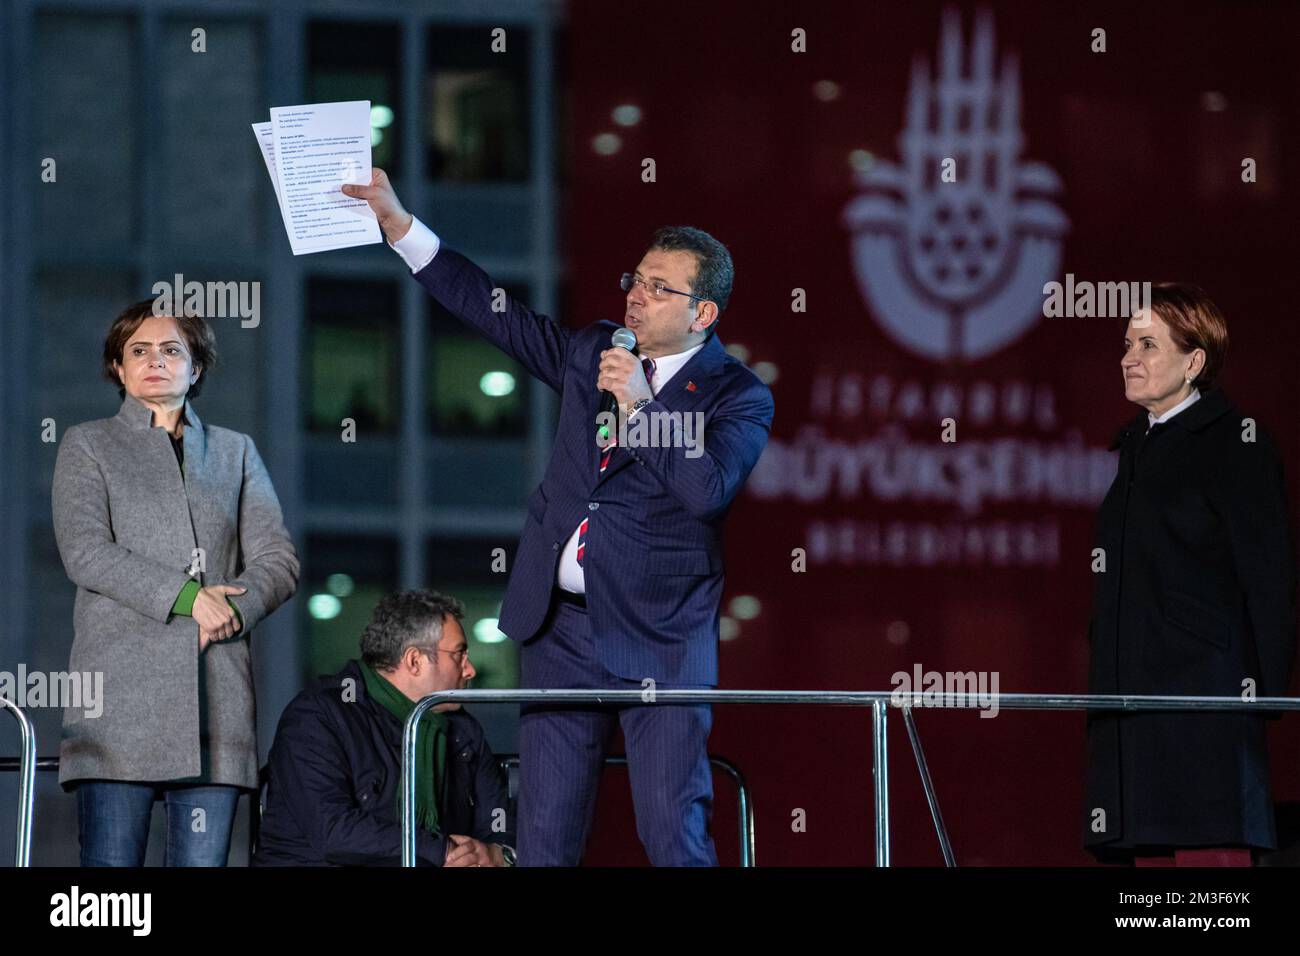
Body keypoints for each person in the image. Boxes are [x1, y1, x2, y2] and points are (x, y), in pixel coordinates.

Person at [342, 171, 774, 866]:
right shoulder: (594, 351)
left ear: (704, 315)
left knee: (672, 835)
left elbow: (707, 489)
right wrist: (399, 226)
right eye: (636, 278)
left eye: (660, 288)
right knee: (544, 837)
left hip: (659, 638)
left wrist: (640, 407)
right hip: (559, 630)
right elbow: (497, 315)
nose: (636, 294)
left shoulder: (739, 395)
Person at [52, 298, 299, 866]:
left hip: (218, 700)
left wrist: (231, 610)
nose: (154, 360)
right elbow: (85, 552)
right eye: (138, 350)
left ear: (198, 367)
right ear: (118, 367)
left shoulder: (236, 452)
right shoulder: (87, 444)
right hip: (119, 703)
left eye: (171, 349)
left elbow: (277, 560)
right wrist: (191, 599)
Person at [1084, 283, 1297, 866]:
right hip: (1133, 712)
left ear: (1194, 360)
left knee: (1210, 893)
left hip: (1205, 709)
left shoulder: (1236, 444)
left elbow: (1270, 577)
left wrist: (1261, 697)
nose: (1129, 357)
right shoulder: (1135, 447)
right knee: (1149, 894)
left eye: (1148, 344)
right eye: (1127, 343)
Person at [255, 590, 515, 867]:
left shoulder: (463, 730)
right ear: (414, 661)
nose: (470, 670)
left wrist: (499, 853)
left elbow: (498, 822)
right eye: (459, 654)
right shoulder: (317, 717)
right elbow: (334, 830)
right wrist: (442, 850)